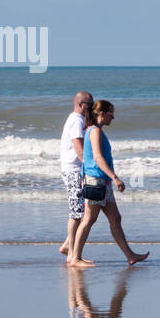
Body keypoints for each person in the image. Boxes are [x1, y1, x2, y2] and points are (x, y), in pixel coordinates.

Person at [67, 100, 150, 268]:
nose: (113, 116)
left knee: (115, 218)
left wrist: (110, 179)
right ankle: (75, 258)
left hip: (102, 182)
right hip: (95, 181)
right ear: (102, 113)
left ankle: (130, 255)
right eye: (111, 113)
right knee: (89, 219)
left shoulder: (97, 131)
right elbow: (98, 158)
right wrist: (115, 177)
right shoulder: (95, 131)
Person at [59, 92, 94, 257]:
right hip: (74, 170)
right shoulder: (76, 120)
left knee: (81, 211)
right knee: (76, 213)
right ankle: (73, 254)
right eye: (90, 105)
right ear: (81, 105)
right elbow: (78, 146)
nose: (92, 108)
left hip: (74, 169)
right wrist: (88, 168)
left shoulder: (78, 119)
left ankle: (68, 246)